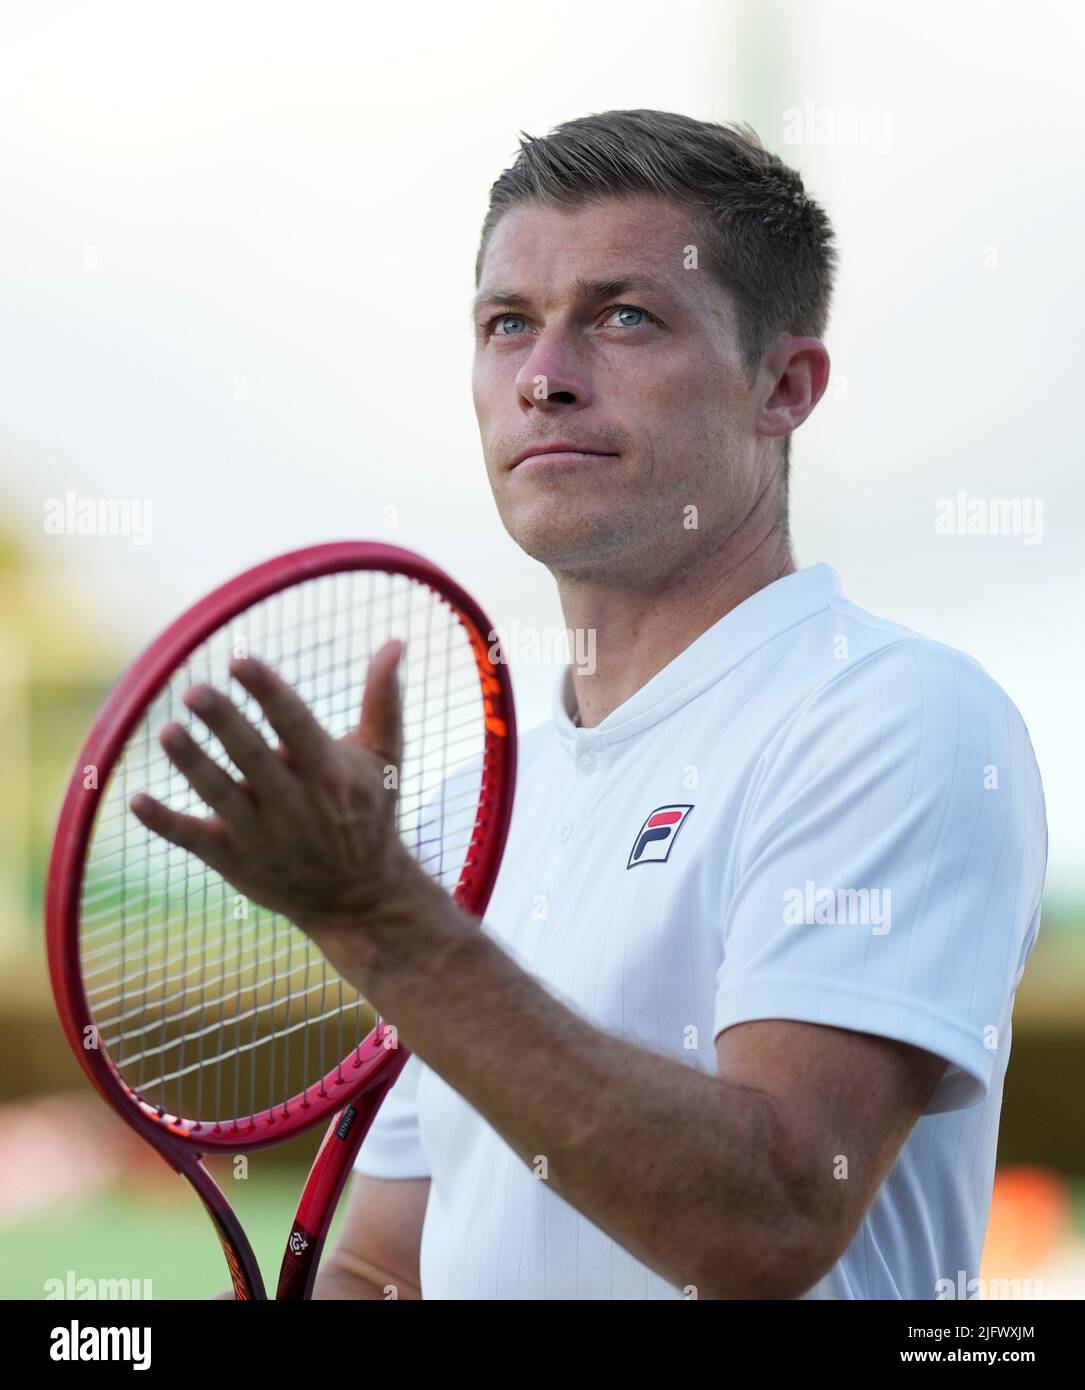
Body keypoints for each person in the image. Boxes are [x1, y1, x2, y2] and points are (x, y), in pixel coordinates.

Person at [150, 109, 1046, 1300]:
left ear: (782, 384)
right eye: (504, 324)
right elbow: (382, 1266)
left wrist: (381, 921)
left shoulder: (897, 718)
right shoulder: (473, 806)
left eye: (623, 317)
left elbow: (768, 1222)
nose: (543, 377)